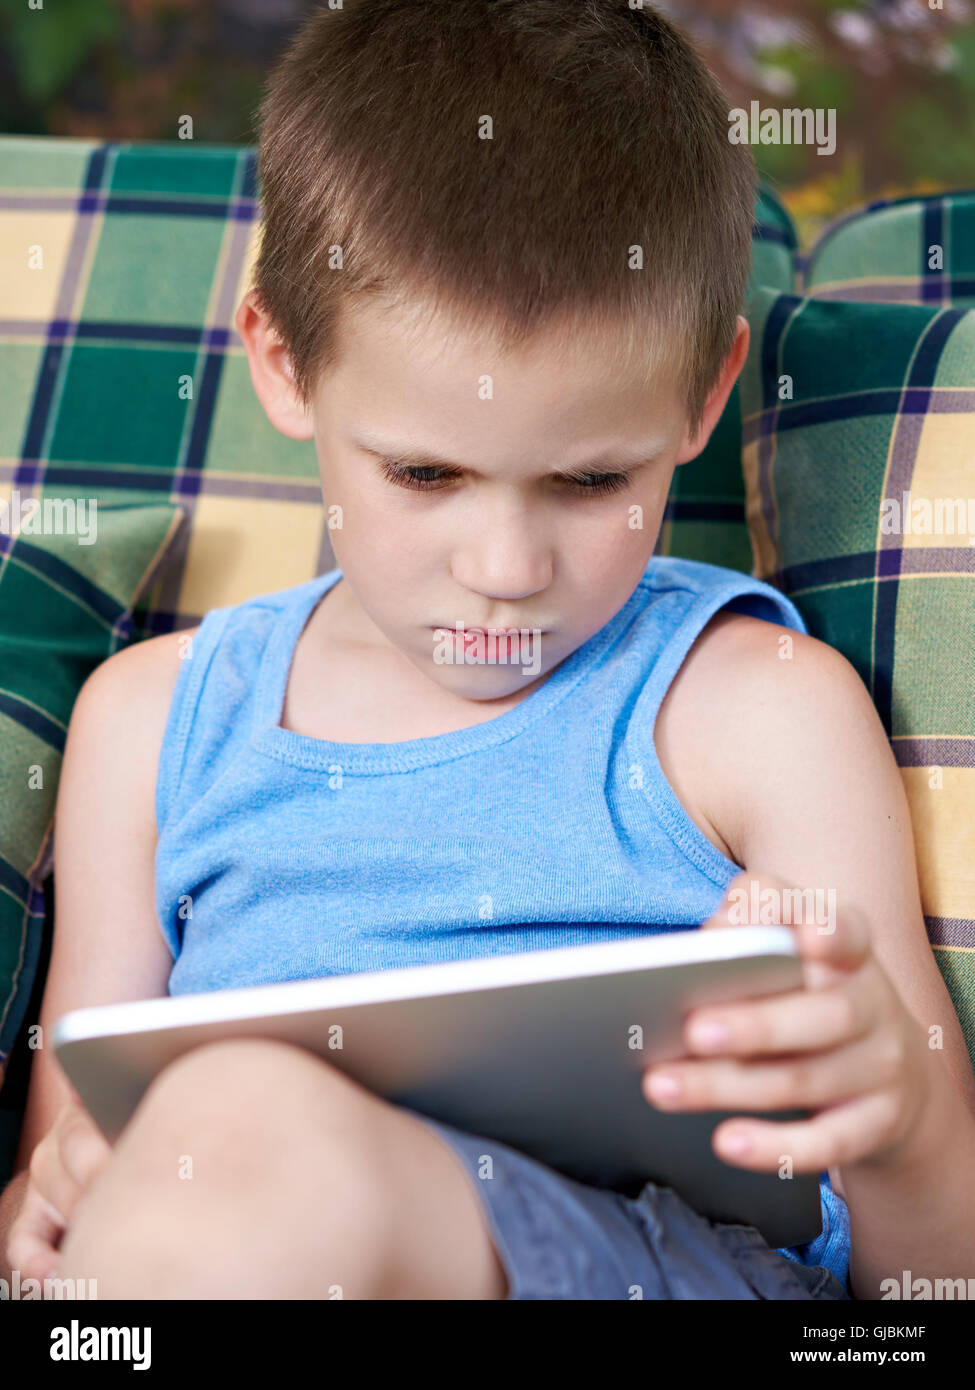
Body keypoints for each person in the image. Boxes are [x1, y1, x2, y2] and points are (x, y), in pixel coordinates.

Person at [3, 0, 974, 1300]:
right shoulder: (148, 726)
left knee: (236, 1126)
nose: (506, 569)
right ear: (284, 365)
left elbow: (937, 1288)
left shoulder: (755, 710)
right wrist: (59, 1194)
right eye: (424, 471)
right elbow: (51, 1197)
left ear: (702, 394)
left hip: (660, 1271)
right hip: (226, 1256)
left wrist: (898, 1116)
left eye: (586, 479)